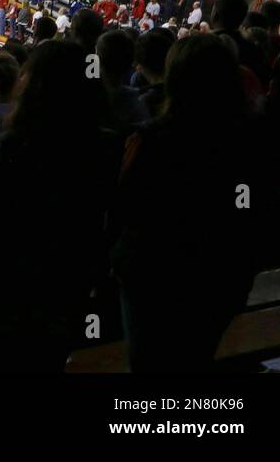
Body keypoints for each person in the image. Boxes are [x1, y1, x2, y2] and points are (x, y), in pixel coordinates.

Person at [0, 41, 118, 372]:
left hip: (3, 304)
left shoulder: (4, 149)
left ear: (32, 85)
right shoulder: (109, 148)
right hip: (66, 301)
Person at [111, 34, 262, 372]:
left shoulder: (149, 140)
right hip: (220, 278)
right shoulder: (251, 143)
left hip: (153, 281)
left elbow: (121, 207)